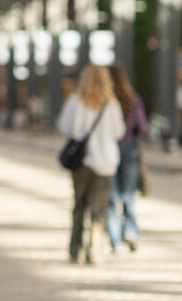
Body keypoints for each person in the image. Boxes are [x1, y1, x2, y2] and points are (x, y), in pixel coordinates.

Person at [57, 64, 125, 265]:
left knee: (79, 205)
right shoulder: (112, 104)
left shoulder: (75, 102)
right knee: (99, 208)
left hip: (82, 161)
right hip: (105, 162)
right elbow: (119, 132)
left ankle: (75, 248)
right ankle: (95, 250)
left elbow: (64, 127)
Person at [105, 63, 147, 255]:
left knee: (112, 196)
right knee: (128, 194)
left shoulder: (106, 100)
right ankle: (130, 232)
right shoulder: (133, 99)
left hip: (109, 149)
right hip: (129, 148)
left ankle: (115, 241)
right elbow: (142, 126)